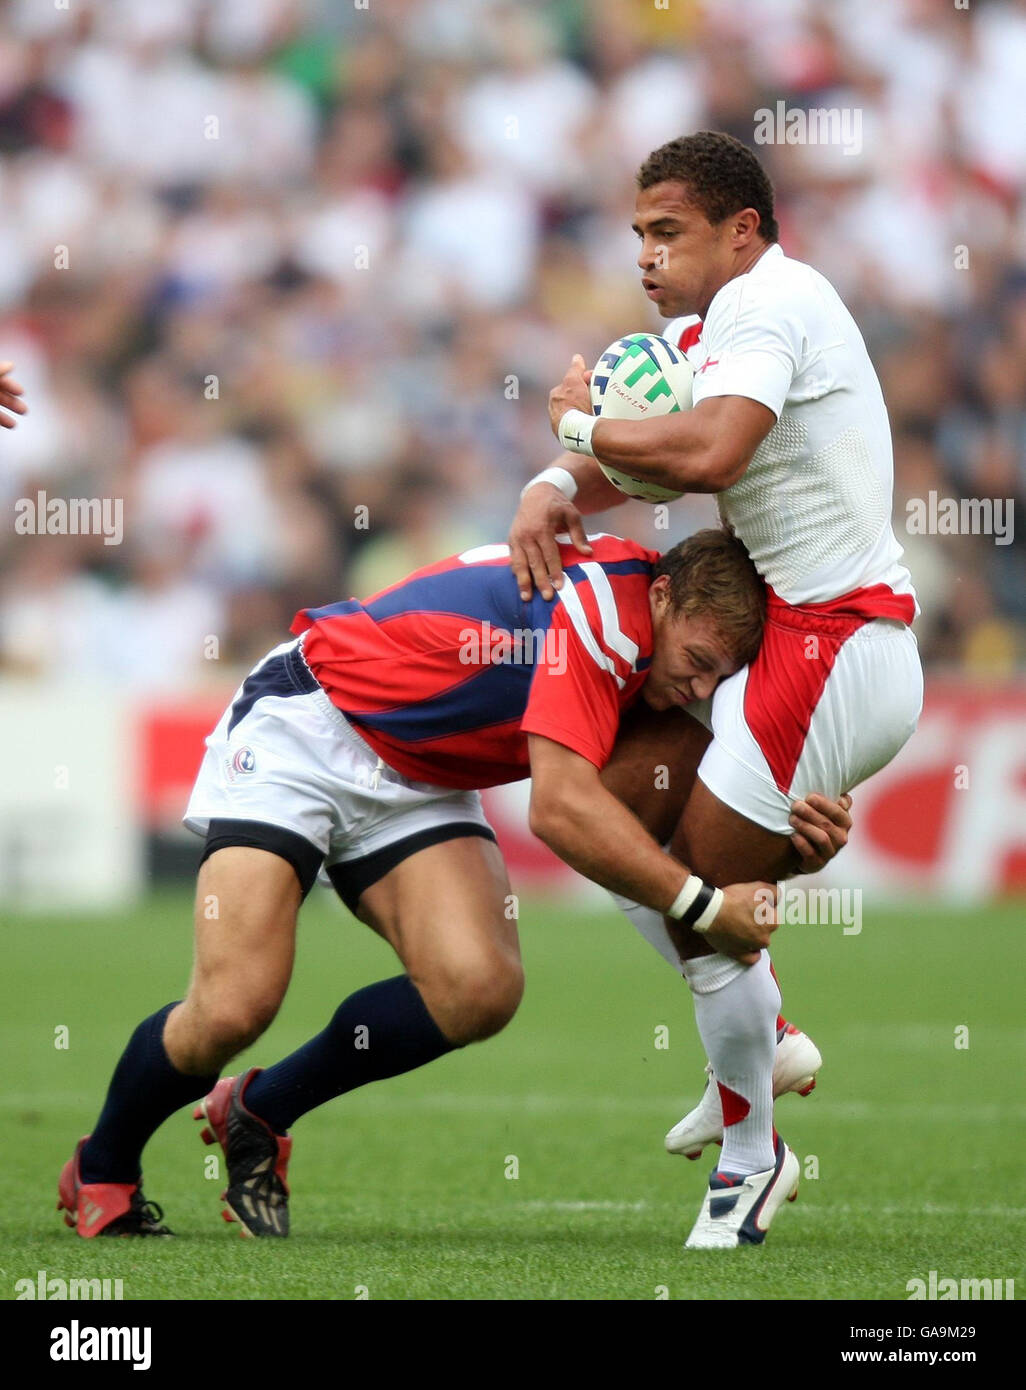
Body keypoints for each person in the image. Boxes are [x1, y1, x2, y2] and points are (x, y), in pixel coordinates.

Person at [56, 527, 849, 1238]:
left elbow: (678, 811)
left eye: (721, 674)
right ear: (666, 596)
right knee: (232, 1008)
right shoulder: (602, 616)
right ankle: (105, 1167)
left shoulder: (661, 639)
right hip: (310, 724)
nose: (704, 688)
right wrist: (709, 908)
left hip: (420, 778)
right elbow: (564, 812)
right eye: (699, 664)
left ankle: (260, 1109)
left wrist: (795, 843)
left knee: (478, 989)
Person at [508, 131, 923, 1247]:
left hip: (843, 642)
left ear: (742, 230)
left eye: (667, 232)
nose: (644, 255)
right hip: (797, 639)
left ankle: (752, 1154)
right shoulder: (707, 325)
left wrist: (575, 425)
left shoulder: (773, 304)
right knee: (626, 818)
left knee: (700, 891)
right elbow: (666, 452)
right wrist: (559, 478)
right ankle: (765, 1040)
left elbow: (713, 455)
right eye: (638, 234)